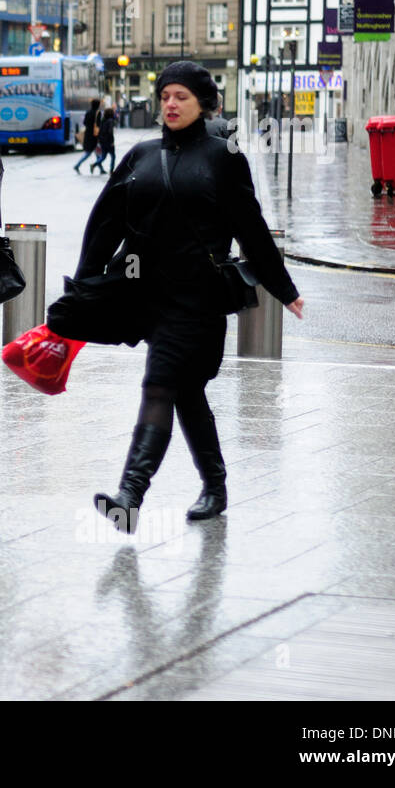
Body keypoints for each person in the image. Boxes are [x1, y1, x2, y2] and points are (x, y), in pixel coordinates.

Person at [73, 61, 305, 532]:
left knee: (160, 385)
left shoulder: (224, 157)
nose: (171, 104)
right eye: (165, 97)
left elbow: (252, 230)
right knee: (186, 396)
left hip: (199, 303)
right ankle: (215, 487)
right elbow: (105, 225)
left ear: (204, 103)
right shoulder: (140, 155)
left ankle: (129, 496)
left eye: (181, 96)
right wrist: (84, 286)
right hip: (152, 301)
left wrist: (283, 289)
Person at [73, 98, 102, 173]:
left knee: (97, 153)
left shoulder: (88, 112)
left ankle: (101, 169)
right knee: (90, 153)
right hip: (95, 136)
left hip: (88, 134)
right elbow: (99, 125)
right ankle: (77, 165)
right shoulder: (98, 113)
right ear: (98, 105)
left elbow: (85, 122)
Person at [91, 106, 118, 174]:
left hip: (102, 140)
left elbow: (100, 131)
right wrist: (112, 141)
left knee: (103, 156)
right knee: (113, 156)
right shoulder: (111, 121)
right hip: (108, 141)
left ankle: (94, 164)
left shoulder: (103, 120)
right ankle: (111, 170)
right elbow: (110, 132)